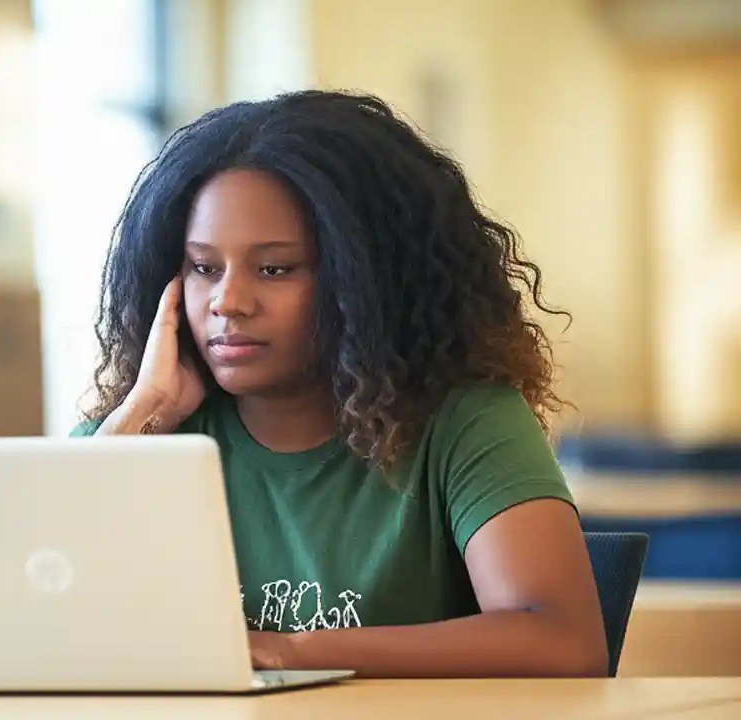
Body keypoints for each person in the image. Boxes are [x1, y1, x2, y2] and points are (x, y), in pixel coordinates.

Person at [71, 90, 608, 677]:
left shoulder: (466, 423)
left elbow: (563, 643)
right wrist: (144, 410)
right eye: (204, 268)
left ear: (367, 281)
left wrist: (290, 652)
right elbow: (36, 616)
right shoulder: (141, 434)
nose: (228, 301)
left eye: (274, 268)